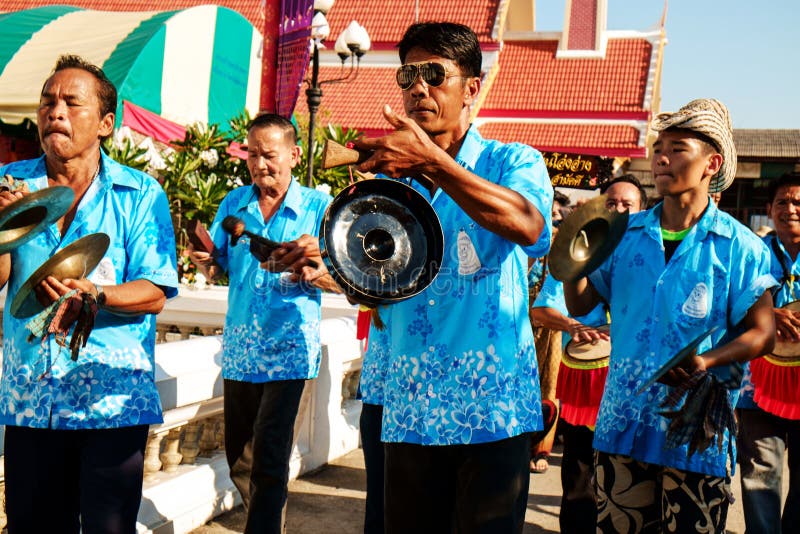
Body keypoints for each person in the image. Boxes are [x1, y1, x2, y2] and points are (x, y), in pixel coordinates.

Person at [354, 22, 553, 532]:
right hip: (410, 409)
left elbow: (530, 227)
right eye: (408, 76)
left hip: (493, 412)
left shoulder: (512, 160)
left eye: (435, 74)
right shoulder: (388, 182)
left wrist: (435, 165)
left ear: (472, 89)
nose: (419, 88)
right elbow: (368, 285)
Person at [564, 98, 776, 532]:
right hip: (624, 422)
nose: (661, 158)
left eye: (677, 149)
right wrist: (572, 262)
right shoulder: (623, 235)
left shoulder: (740, 246)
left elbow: (763, 333)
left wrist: (706, 361)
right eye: (658, 148)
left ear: (711, 163)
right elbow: (580, 305)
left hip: (695, 431)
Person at [0, 55, 179, 533]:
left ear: (105, 124)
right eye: (47, 101)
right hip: (32, 402)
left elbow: (156, 291)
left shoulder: (139, 193)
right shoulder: (10, 184)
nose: (55, 111)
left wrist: (97, 294)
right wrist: (2, 229)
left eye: (71, 102)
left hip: (110, 404)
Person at [188, 112, 337, 533]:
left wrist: (310, 271)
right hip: (240, 350)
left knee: (270, 458)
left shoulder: (319, 209)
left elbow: (343, 279)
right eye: (252, 154)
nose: (259, 164)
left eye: (269, 155)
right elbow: (218, 267)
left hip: (291, 352)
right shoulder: (233, 204)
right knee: (239, 458)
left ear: (294, 155)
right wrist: (205, 261)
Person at [533, 174, 646, 532]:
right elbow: (541, 309)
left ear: (643, 212)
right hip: (586, 375)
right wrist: (571, 325)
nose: (619, 210)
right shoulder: (578, 251)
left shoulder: (651, 256)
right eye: (611, 203)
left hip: (630, 375)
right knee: (580, 469)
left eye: (628, 205)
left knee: (628, 472)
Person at [737, 171, 800, 533]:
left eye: (798, 202)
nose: (790, 209)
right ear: (769, 208)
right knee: (760, 471)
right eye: (782, 202)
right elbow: (731, 303)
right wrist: (767, 312)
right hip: (756, 384)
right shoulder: (753, 253)